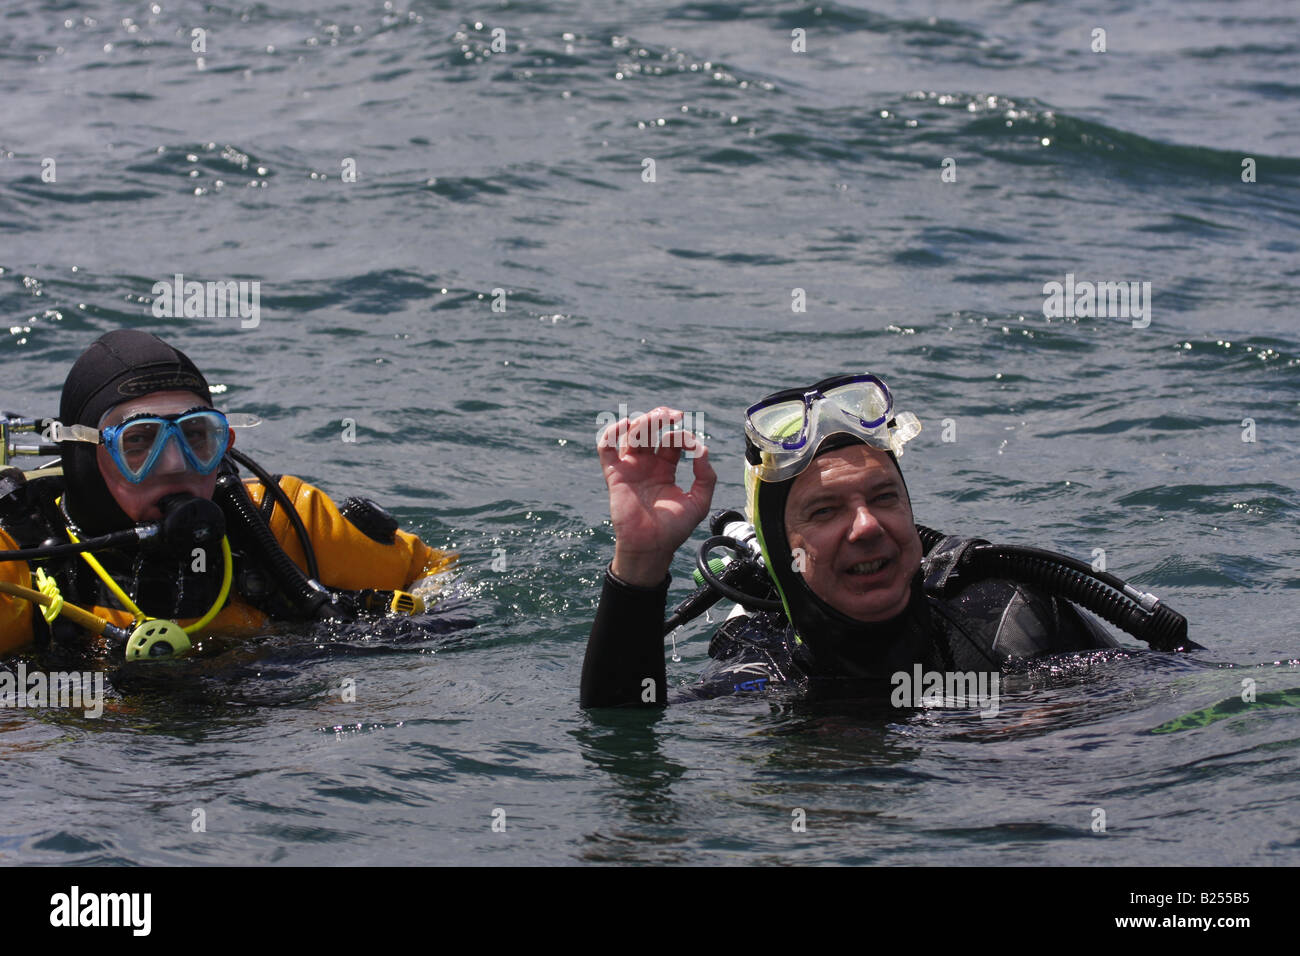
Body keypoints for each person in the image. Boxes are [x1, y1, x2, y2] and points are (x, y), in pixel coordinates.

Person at [581, 373, 1124, 708]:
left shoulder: (1011, 617)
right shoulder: (763, 672)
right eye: (824, 510)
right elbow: (620, 731)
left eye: (885, 497)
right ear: (783, 550)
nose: (867, 526)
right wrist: (642, 560)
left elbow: (1176, 698)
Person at [0, 330, 456, 658]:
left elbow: (437, 575)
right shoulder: (16, 568)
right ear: (83, 460)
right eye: (139, 442)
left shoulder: (281, 522)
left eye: (197, 436)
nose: (176, 463)